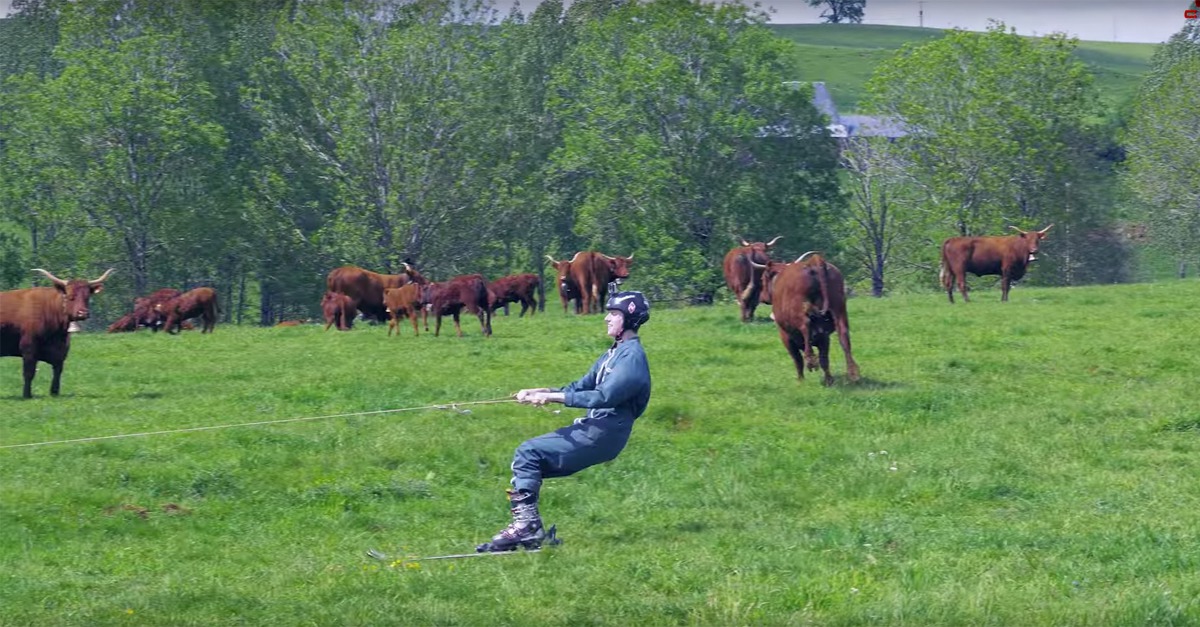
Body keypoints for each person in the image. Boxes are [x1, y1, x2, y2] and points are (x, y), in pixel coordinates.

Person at [476, 286, 652, 552]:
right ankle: (529, 529)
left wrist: (552, 399)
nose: (606, 318)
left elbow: (603, 397)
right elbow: (581, 386)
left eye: (613, 314)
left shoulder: (632, 358)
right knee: (528, 460)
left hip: (604, 433)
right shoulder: (613, 354)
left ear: (629, 318)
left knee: (529, 453)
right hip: (596, 428)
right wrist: (542, 391)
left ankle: (527, 528)